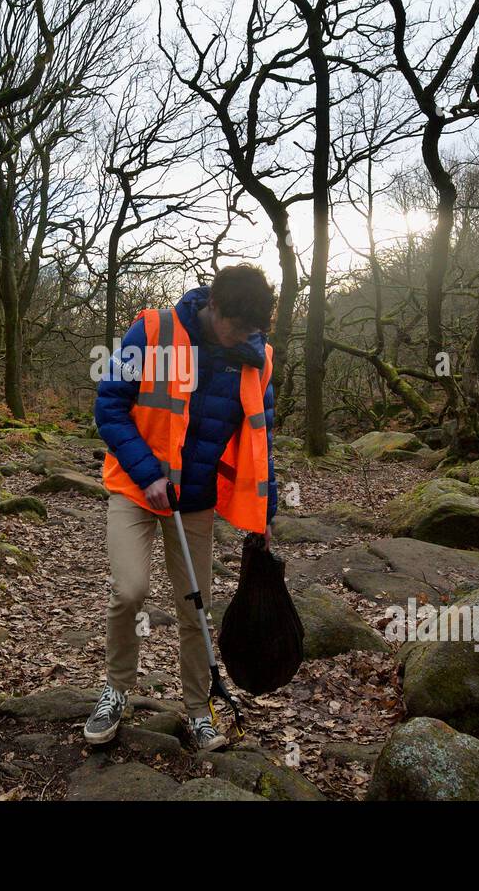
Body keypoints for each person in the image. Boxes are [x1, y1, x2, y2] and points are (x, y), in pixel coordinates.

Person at [85, 264, 277, 751]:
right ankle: (115, 689)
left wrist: (266, 511)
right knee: (130, 590)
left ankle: (199, 709)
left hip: (194, 502)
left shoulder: (257, 360)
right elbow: (109, 404)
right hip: (135, 488)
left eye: (251, 330)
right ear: (213, 306)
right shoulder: (153, 330)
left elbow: (261, 439)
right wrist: (148, 474)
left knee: (196, 607)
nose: (240, 336)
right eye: (235, 326)